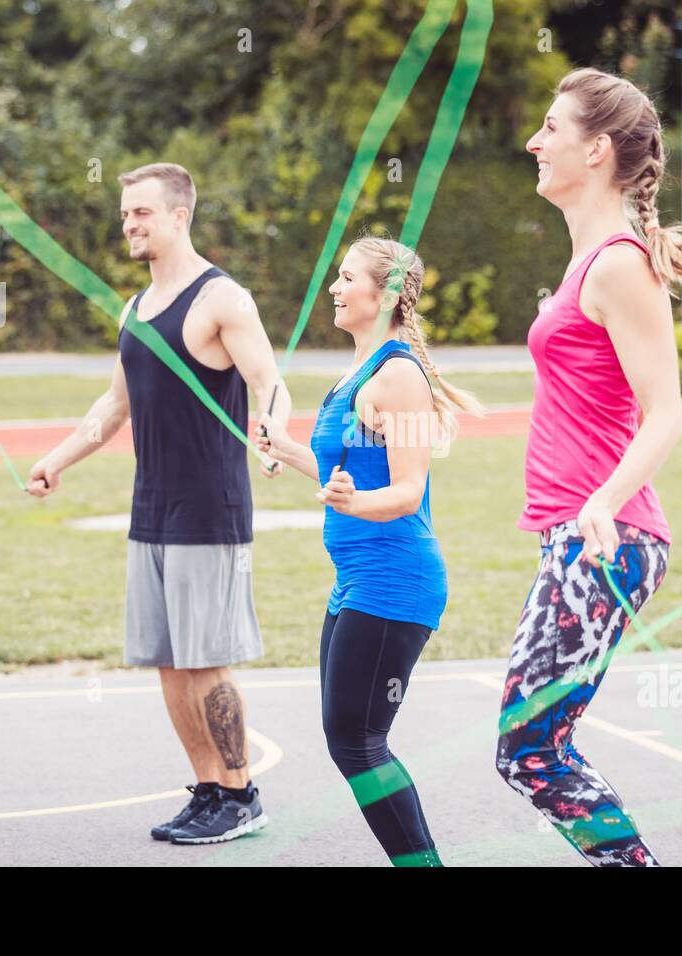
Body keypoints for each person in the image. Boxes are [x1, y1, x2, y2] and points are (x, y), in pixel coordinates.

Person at [26, 162, 292, 845]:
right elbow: (114, 405)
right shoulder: (134, 307)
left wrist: (274, 434)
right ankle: (208, 790)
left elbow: (269, 382)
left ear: (179, 215)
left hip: (210, 508)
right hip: (153, 508)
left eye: (142, 212)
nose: (130, 225)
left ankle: (242, 795)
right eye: (124, 215)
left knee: (207, 659)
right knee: (170, 661)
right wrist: (57, 459)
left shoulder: (222, 299)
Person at [494, 67, 682, 867]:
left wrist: (604, 500)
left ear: (595, 150)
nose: (534, 142)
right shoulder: (590, 261)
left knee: (530, 749)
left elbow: (669, 414)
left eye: (550, 128)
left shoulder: (619, 264)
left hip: (607, 537)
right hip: (579, 534)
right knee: (533, 746)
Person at [256, 236, 484, 866]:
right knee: (346, 738)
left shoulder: (400, 375)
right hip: (355, 578)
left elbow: (407, 491)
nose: (335, 286)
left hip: (396, 579)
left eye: (347, 277)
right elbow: (345, 473)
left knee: (359, 740)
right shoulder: (357, 374)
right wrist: (287, 449)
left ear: (383, 296)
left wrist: (351, 501)